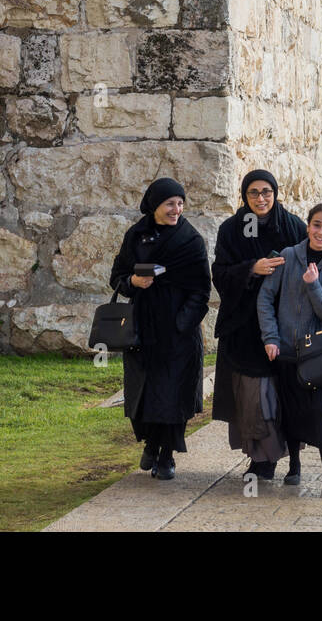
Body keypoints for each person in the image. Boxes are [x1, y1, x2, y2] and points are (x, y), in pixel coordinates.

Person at [210, 170, 322, 481]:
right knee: (255, 399)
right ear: (244, 196)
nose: (260, 199)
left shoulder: (290, 225)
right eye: (253, 193)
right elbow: (219, 273)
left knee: (290, 399)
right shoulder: (232, 230)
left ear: (275, 193)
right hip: (247, 331)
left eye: (266, 192)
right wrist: (252, 268)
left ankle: (294, 463)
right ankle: (263, 459)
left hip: (292, 335)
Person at [109, 178, 212, 481]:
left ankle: (166, 455)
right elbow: (117, 275)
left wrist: (181, 324)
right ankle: (151, 444)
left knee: (172, 394)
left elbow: (201, 290)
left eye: (180, 203)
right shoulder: (136, 235)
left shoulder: (190, 240)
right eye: (170, 204)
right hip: (142, 329)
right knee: (145, 391)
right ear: (155, 205)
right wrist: (133, 283)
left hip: (178, 332)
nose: (176, 209)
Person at [257, 203, 322, 496]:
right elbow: (265, 298)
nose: (321, 232)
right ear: (307, 226)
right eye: (316, 225)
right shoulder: (288, 256)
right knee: (291, 411)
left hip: (320, 355)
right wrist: (270, 338)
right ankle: (294, 466)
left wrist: (313, 286)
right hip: (286, 350)